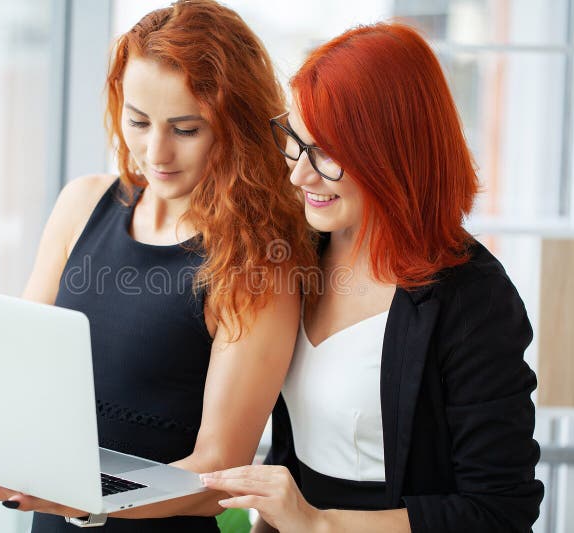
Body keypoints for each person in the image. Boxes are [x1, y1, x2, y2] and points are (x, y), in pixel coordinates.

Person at [0, 1, 316, 531]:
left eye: (186, 129)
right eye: (138, 121)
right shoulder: (81, 204)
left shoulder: (257, 261)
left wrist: (80, 501)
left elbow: (218, 473)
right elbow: (15, 376)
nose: (156, 152)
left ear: (236, 125)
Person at [201, 23, 544, 533]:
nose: (299, 173)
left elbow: (499, 510)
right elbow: (302, 446)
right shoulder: (300, 254)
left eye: (326, 153)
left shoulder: (474, 299)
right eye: (295, 141)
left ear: (391, 153)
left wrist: (318, 525)